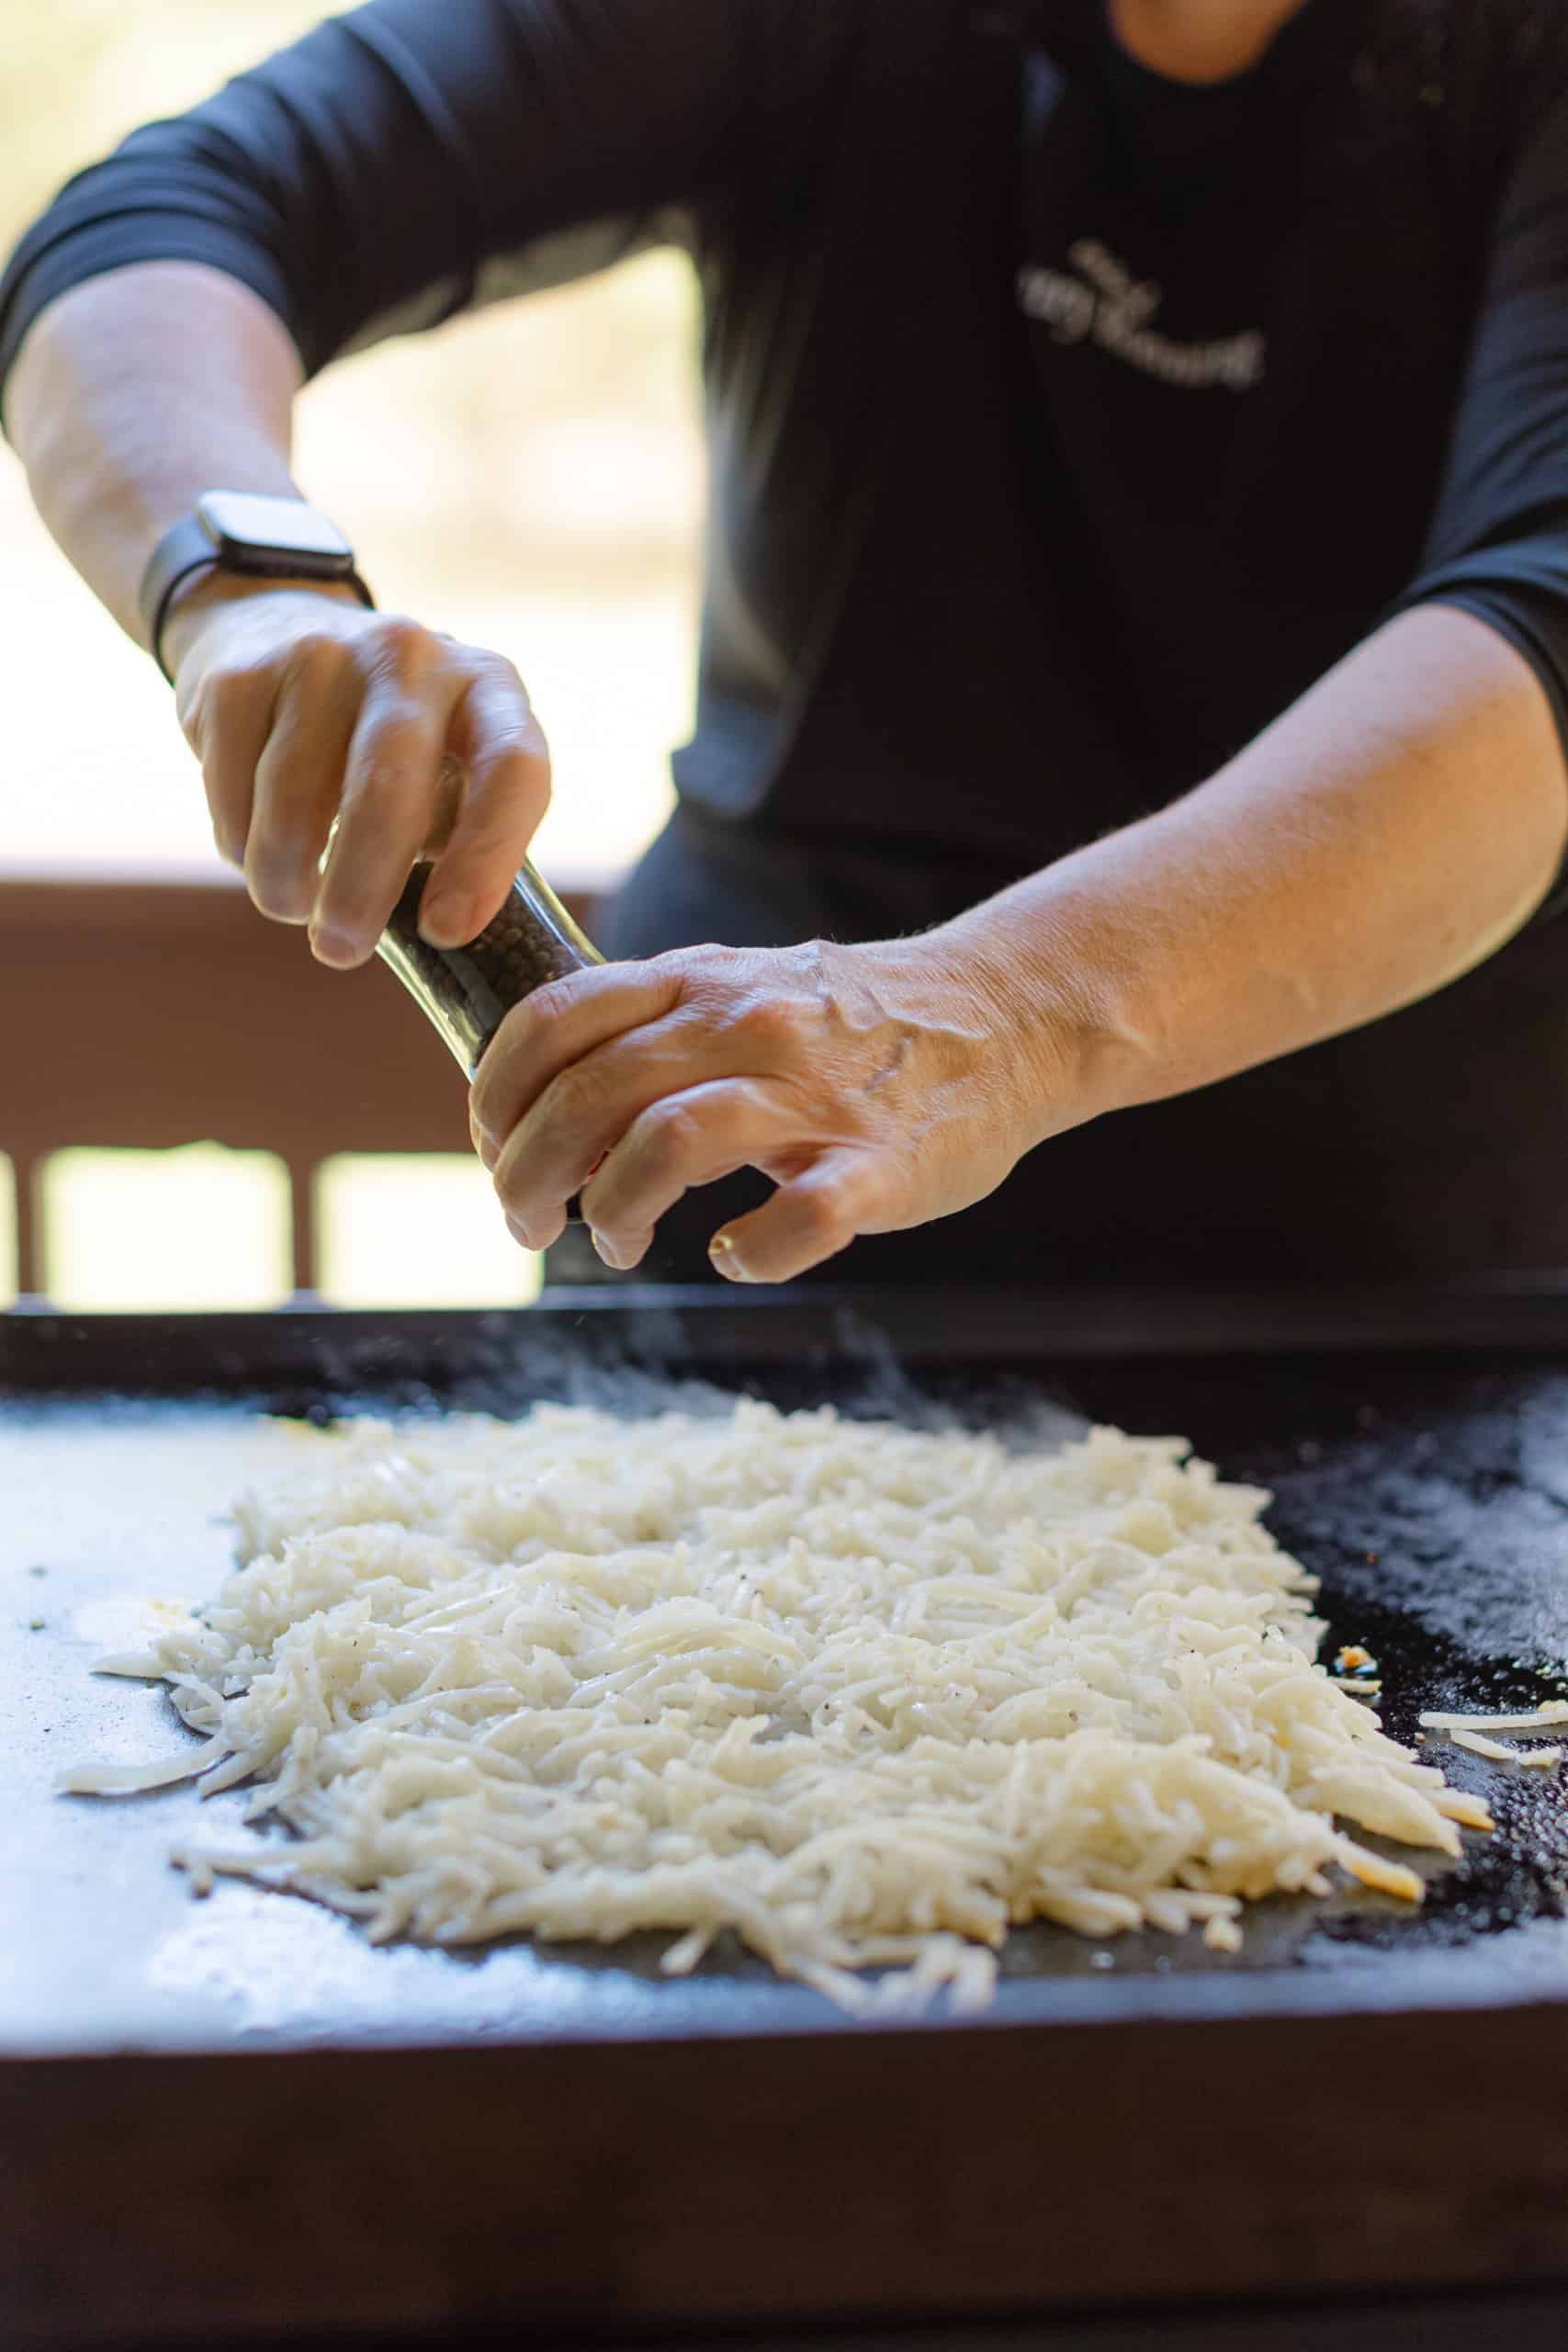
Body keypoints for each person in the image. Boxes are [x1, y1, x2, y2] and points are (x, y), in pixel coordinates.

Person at [5, 0, 1568, 1291]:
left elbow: (1537, 641)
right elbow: (170, 216)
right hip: (738, 1212)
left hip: (1387, 1269)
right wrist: (253, 594)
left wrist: (1001, 1016)